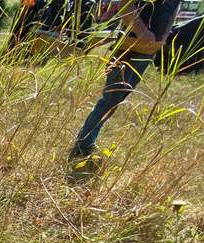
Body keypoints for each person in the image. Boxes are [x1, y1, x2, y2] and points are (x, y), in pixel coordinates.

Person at [70, 0, 182, 160]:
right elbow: (124, 4)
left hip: (145, 51)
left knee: (115, 100)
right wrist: (144, 34)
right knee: (109, 100)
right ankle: (83, 146)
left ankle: (86, 142)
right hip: (131, 49)